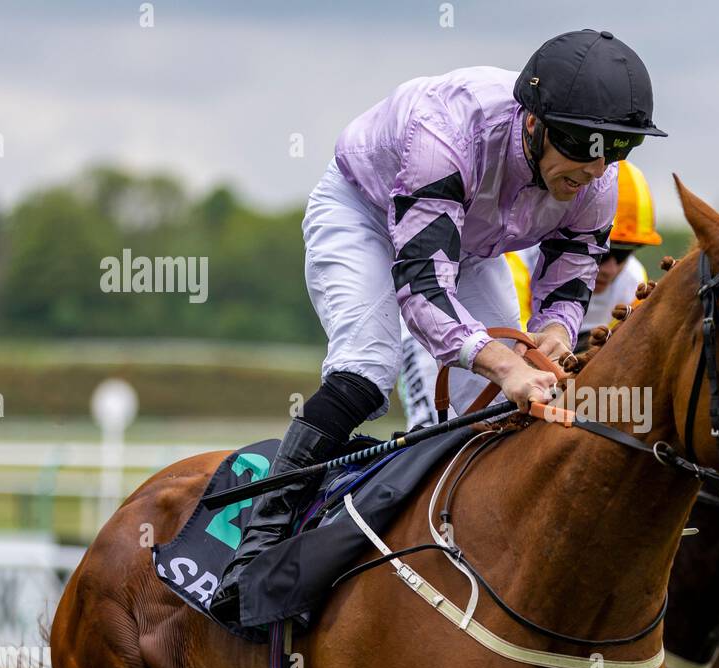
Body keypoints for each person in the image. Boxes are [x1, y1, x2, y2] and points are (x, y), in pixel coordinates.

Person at [211, 30, 667, 620]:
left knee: (507, 401)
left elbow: (571, 275)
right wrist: (505, 362)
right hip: (367, 216)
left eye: (617, 148)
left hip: (473, 245)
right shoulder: (446, 128)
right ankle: (257, 546)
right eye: (581, 146)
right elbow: (423, 286)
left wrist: (554, 333)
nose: (596, 168)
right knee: (367, 372)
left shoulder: (596, 181)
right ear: (533, 125)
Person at [399, 159, 663, 430]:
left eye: (625, 254)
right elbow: (520, 355)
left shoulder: (634, 281)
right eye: (606, 253)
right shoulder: (519, 264)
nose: (611, 267)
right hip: (440, 334)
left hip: (518, 358)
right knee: (437, 431)